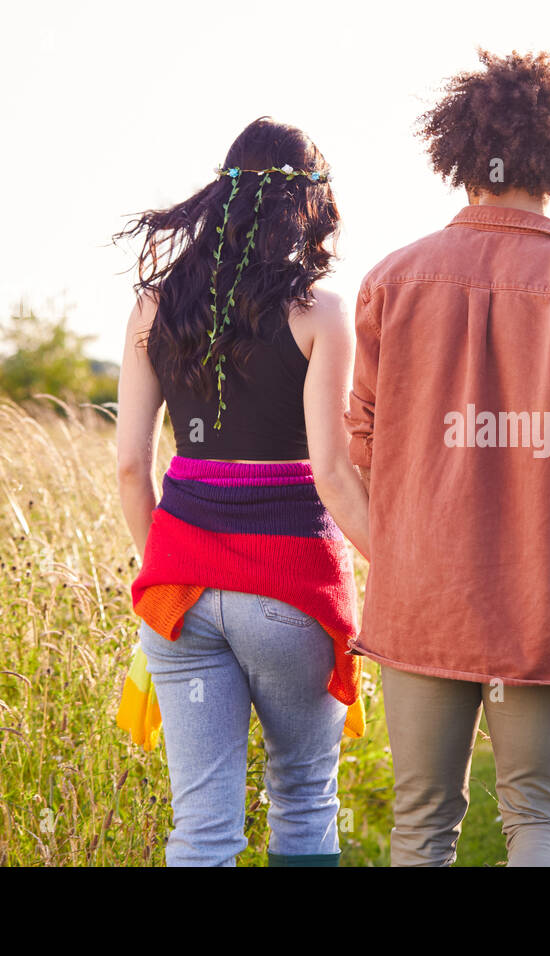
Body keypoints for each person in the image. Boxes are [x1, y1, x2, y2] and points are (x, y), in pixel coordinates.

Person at [344, 50, 550, 867]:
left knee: (421, 827)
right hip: (538, 610)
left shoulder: (387, 282)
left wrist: (408, 556)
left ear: (462, 151)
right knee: (541, 822)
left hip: (417, 606)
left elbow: (359, 449)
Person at [113, 117, 369, 867]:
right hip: (291, 594)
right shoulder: (319, 311)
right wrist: (400, 568)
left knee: (202, 826)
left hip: (181, 601)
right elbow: (331, 470)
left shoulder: (154, 307)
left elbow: (131, 465)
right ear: (310, 206)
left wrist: (165, 568)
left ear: (221, 198)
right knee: (303, 797)